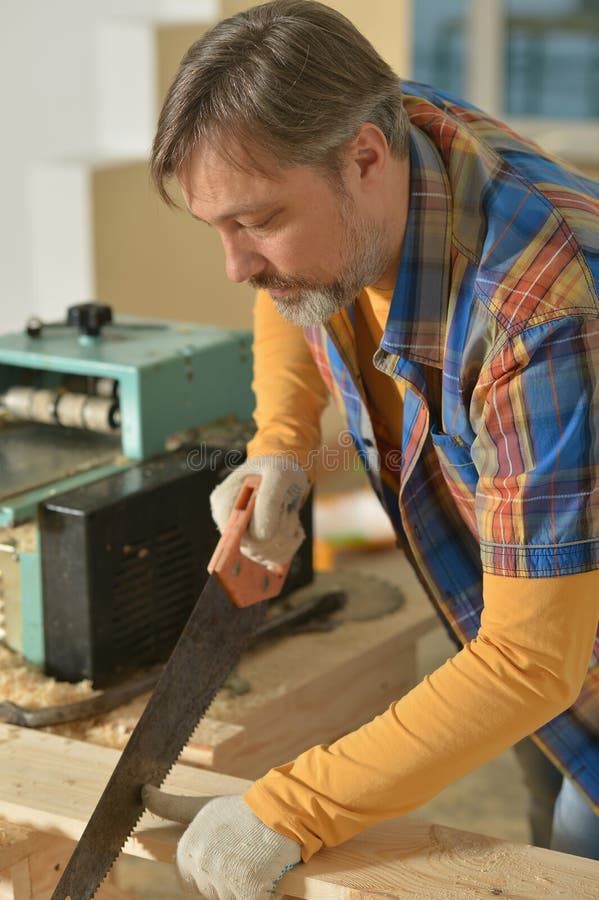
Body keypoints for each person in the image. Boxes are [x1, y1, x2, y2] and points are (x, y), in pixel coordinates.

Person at [144, 1, 599, 896]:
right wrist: (281, 442)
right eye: (218, 228)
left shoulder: (541, 317)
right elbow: (290, 290)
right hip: (524, 611)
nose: (235, 265)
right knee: (540, 792)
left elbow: (531, 663)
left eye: (255, 222)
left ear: (362, 158)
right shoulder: (379, 132)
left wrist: (294, 808)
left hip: (563, 650)